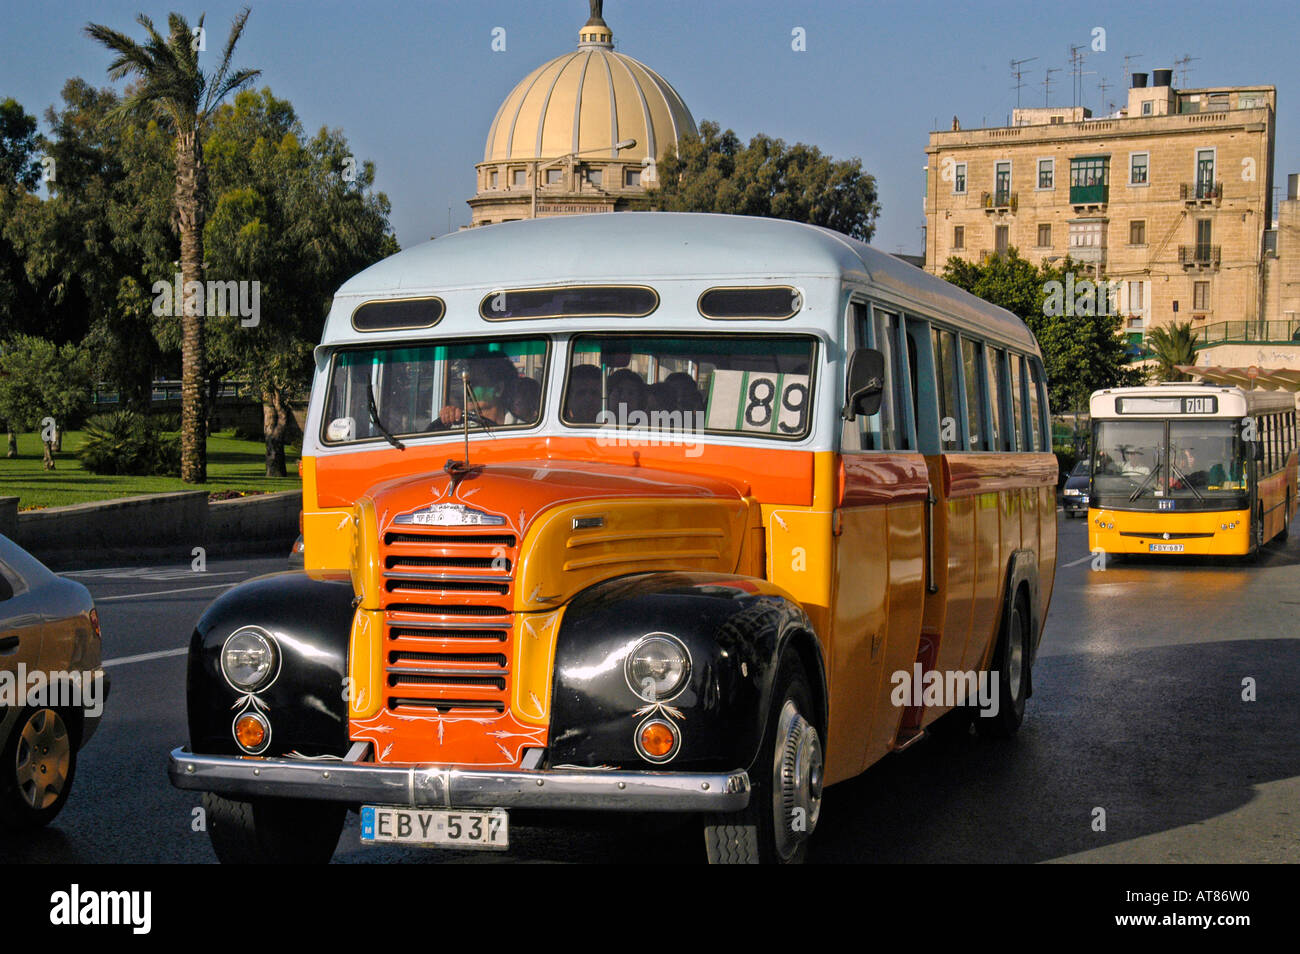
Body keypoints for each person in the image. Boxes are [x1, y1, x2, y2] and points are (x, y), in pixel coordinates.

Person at [437, 355, 515, 427]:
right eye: (466, 383)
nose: (467, 388)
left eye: (475, 383)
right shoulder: (460, 426)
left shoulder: (520, 429)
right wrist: (447, 418)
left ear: (498, 389)